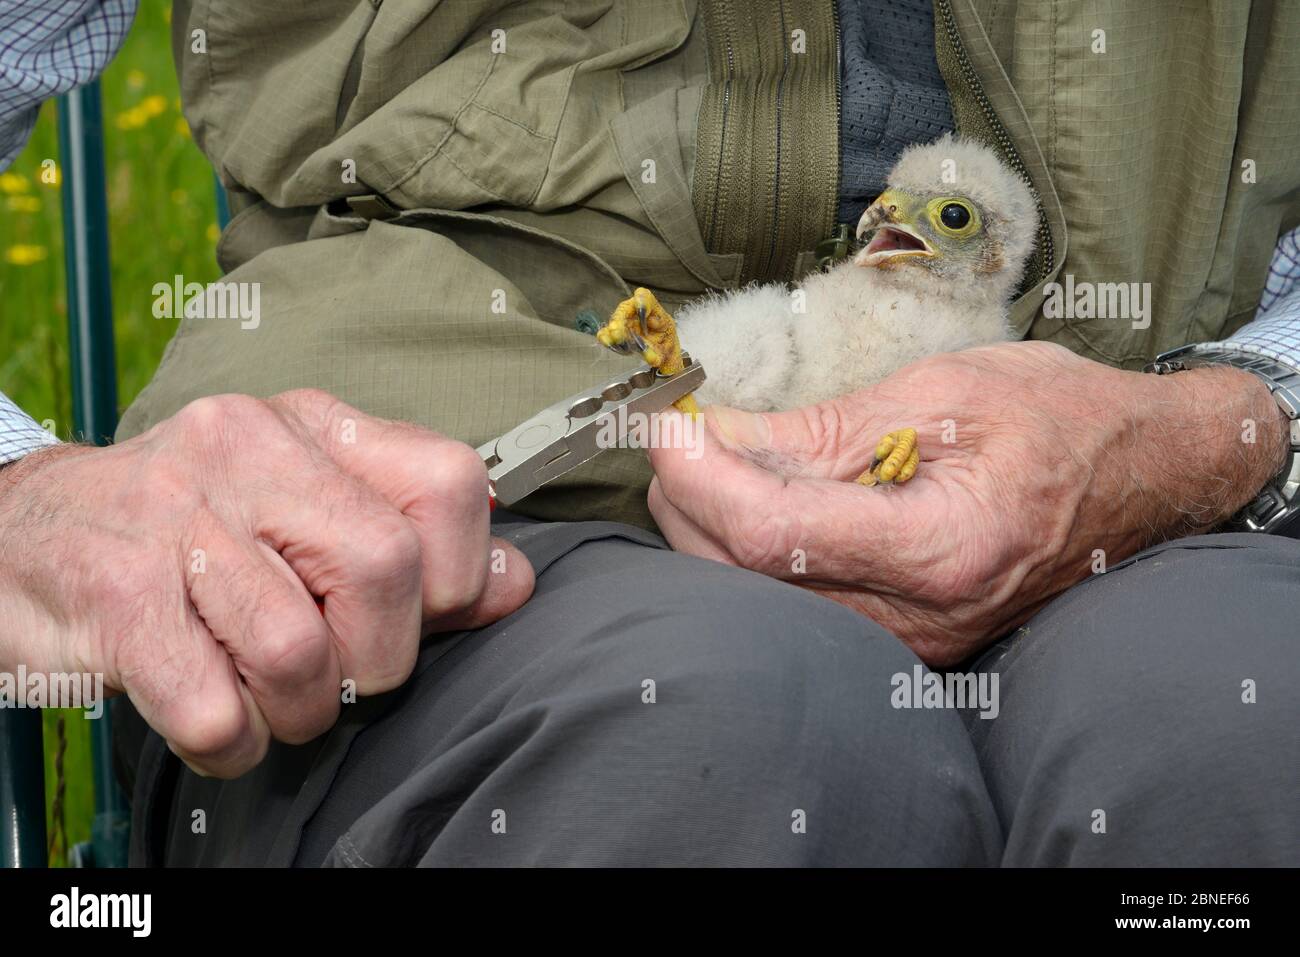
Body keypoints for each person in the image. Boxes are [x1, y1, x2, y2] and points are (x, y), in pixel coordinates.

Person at [1, 0, 1296, 866]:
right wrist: (27, 491)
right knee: (732, 738)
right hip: (429, 508)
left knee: (1236, 732)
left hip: (1157, 472)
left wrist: (1240, 415)